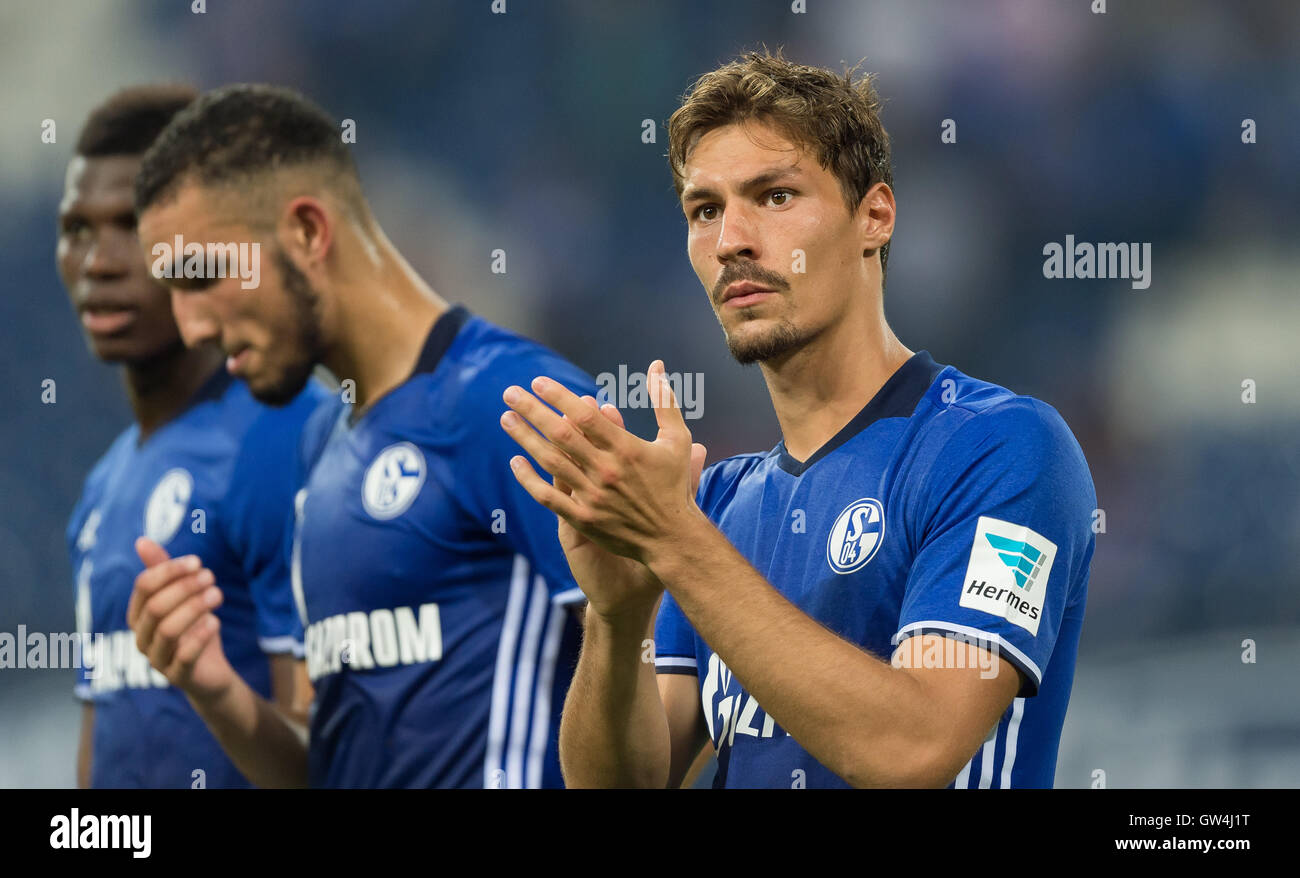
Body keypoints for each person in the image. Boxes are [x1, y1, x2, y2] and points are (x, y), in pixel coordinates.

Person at [498, 50, 1097, 788]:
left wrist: (675, 542)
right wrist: (616, 621)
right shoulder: (713, 507)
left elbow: (914, 748)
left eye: (775, 196)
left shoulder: (999, 448)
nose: (731, 242)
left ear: (874, 216)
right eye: (705, 210)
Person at [127, 84, 596, 788]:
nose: (190, 327)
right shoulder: (319, 456)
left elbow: (669, 713)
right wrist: (215, 687)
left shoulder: (510, 402)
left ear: (308, 232)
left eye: (202, 275)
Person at [58, 85, 320, 788]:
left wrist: (215, 690)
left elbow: (334, 754)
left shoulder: (292, 437)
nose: (98, 263)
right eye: (77, 229)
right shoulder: (104, 486)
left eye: (131, 228)